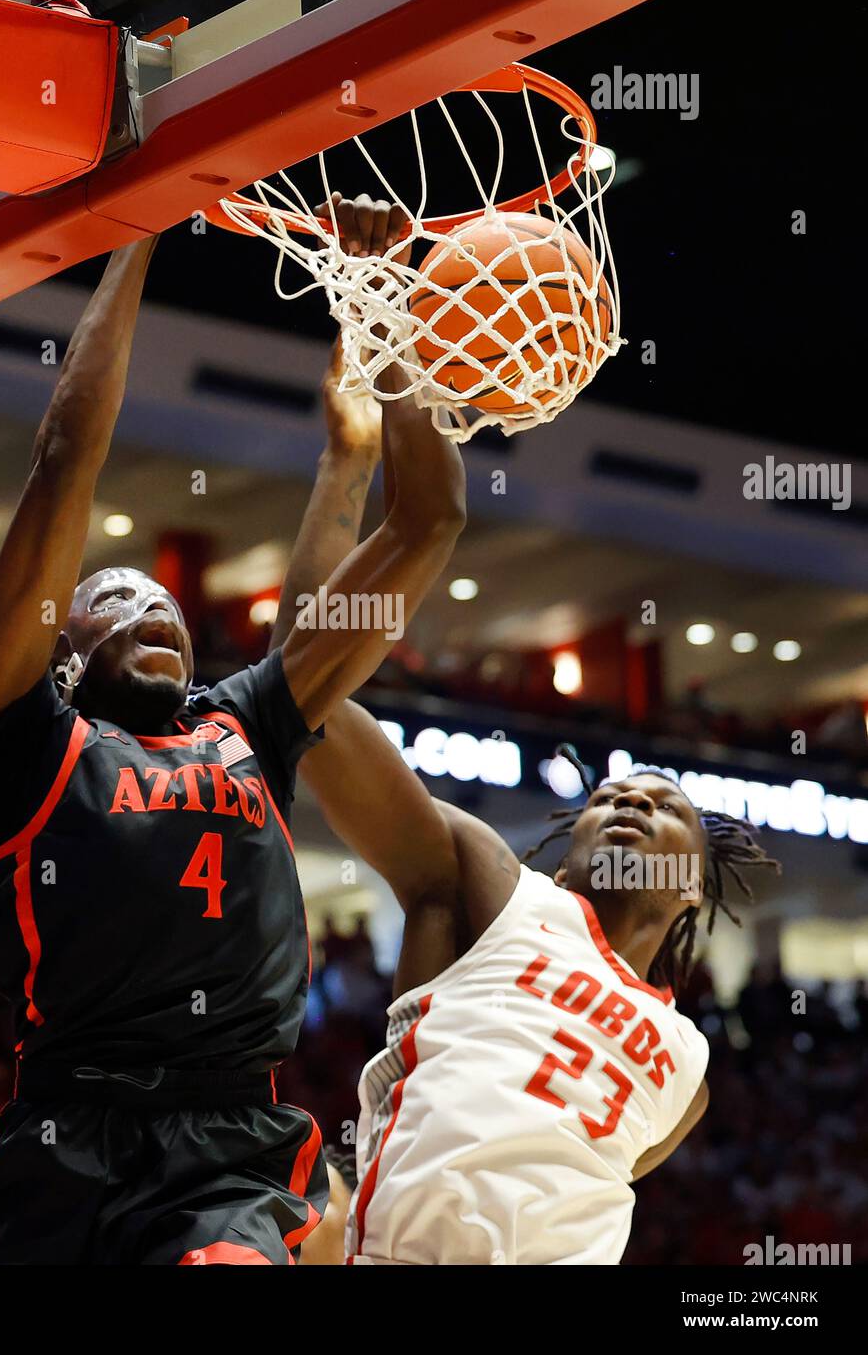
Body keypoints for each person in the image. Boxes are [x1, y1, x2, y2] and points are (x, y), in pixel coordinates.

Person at [0, 217, 465, 1265]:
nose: (152, 604)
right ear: (62, 649)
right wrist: (141, 224)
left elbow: (429, 521)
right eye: (115, 593)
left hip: (231, 1150)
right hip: (72, 1140)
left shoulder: (248, 720)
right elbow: (67, 454)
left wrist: (388, 307)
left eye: (165, 599)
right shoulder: (28, 744)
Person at [270, 363, 780, 1266]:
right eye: (608, 798)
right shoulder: (490, 889)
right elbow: (303, 700)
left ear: (691, 886)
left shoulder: (689, 1069)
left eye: (660, 804)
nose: (625, 801)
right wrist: (351, 464)